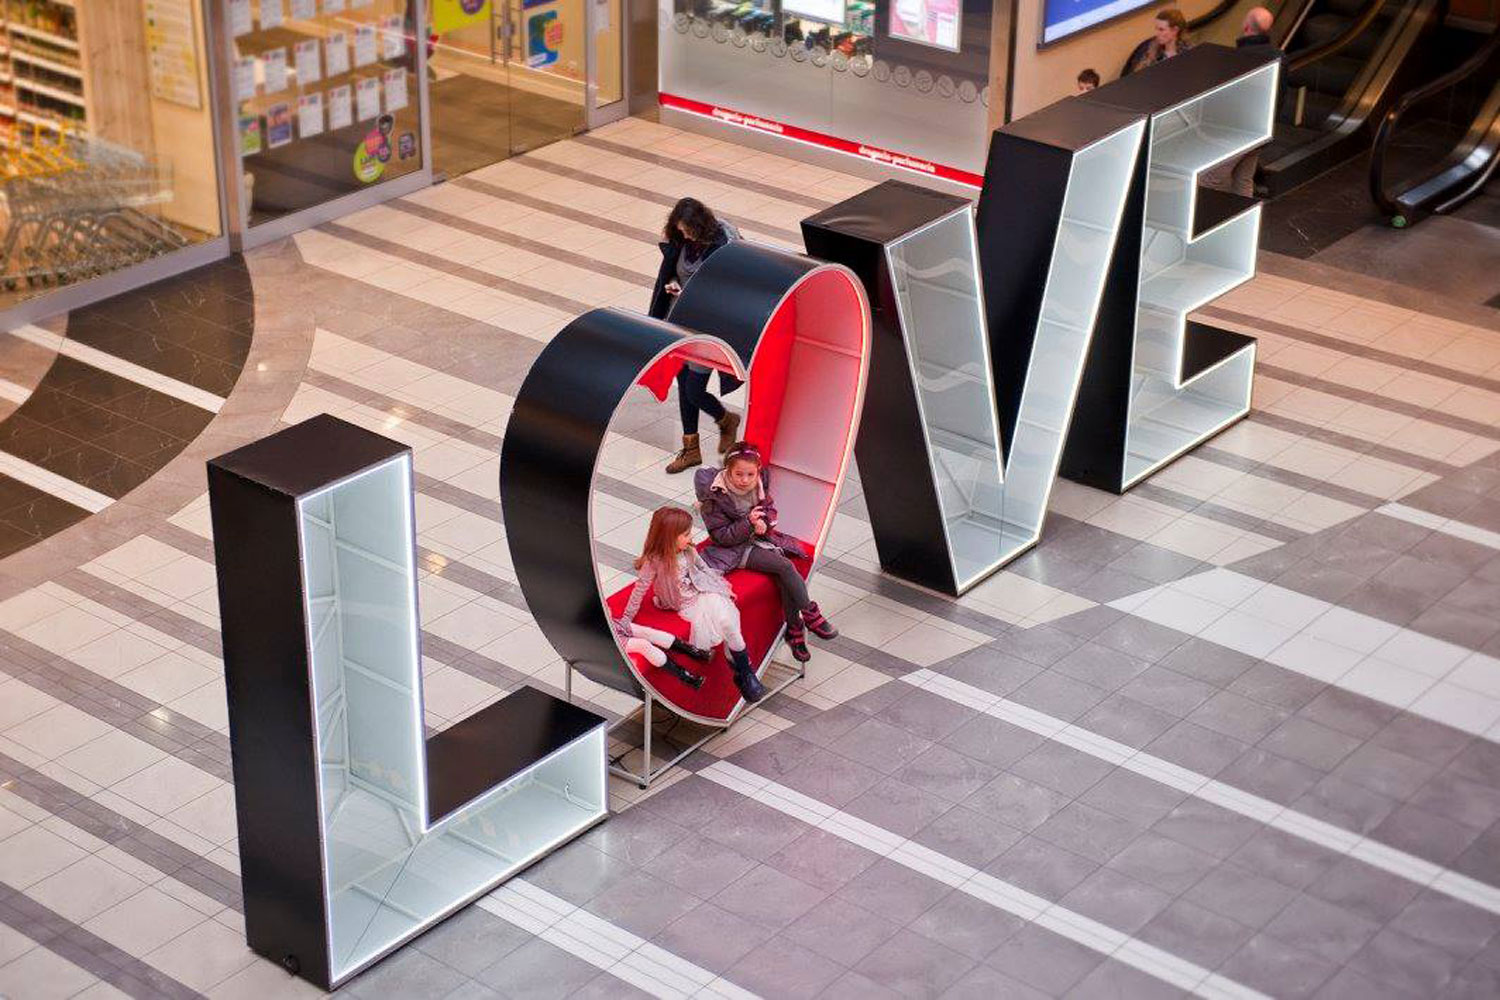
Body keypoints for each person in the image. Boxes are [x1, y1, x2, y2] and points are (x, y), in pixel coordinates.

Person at [695, 442, 838, 664]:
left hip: (759, 541)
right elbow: (721, 536)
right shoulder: (714, 497)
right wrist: (748, 523)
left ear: (758, 472)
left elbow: (769, 510)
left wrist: (764, 522)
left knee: (784, 577)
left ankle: (794, 629)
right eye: (739, 474)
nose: (745, 480)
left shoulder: (759, 484)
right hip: (733, 550)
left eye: (750, 474)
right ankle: (809, 615)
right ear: (727, 471)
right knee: (785, 567)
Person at [617, 506, 766, 702]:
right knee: (718, 625)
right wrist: (626, 618)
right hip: (687, 605)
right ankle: (741, 670)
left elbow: (704, 569)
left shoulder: (689, 551)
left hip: (703, 591)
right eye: (685, 534)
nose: (690, 537)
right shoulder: (654, 561)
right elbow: (640, 589)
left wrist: (719, 586)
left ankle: (746, 673)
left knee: (728, 622)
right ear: (669, 537)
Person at [649, 198, 743, 474]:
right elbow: (670, 275)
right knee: (682, 382)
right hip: (679, 322)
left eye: (689, 230)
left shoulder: (723, 245)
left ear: (700, 226)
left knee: (693, 389)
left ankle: (726, 419)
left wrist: (695, 295)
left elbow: (727, 288)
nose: (686, 235)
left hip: (708, 327)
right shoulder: (680, 242)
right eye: (681, 231)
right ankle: (691, 449)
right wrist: (673, 286)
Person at [1203, 7, 1278, 196]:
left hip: (1236, 132)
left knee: (1212, 180)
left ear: (1246, 27)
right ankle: (1241, 219)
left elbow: (1230, 99)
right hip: (1260, 129)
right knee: (1244, 180)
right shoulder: (1279, 57)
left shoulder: (1239, 57)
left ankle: (1213, 219)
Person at [1122, 8, 1191, 76]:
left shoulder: (1188, 51)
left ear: (1175, 30)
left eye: (1161, 29)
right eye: (1156, 29)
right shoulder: (1151, 51)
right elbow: (1138, 77)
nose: (1157, 33)